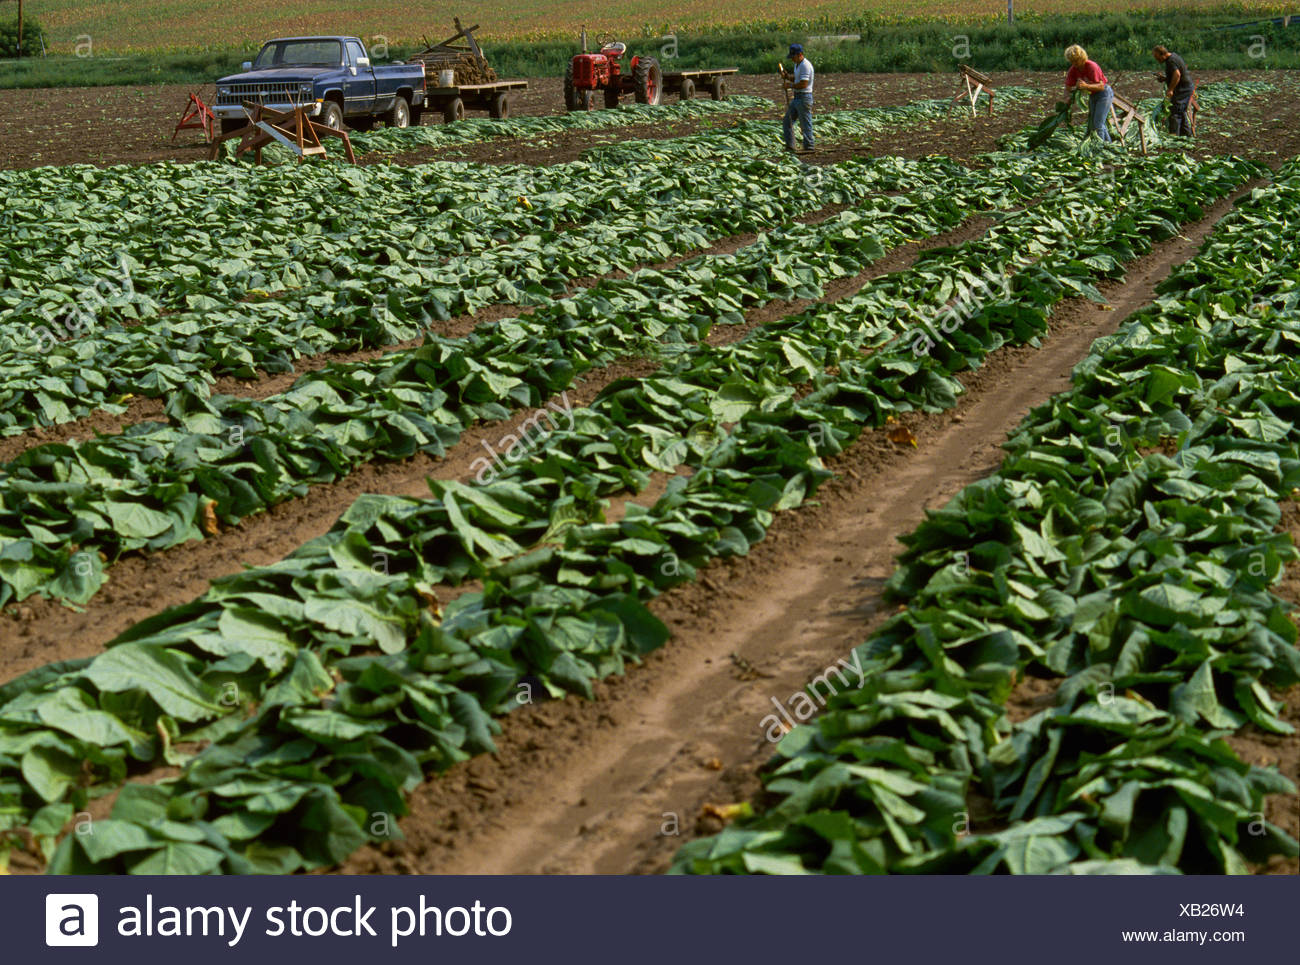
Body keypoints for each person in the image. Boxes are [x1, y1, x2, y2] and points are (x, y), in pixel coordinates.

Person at [1064, 44, 1113, 142]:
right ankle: (1108, 145)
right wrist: (1067, 99)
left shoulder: (1091, 66)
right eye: (1072, 61)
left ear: (1081, 58)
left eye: (1076, 60)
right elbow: (1068, 88)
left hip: (1103, 94)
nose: (1074, 63)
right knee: (1095, 124)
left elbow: (1101, 86)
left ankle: (1099, 147)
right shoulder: (1073, 70)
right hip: (1092, 95)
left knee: (1098, 124)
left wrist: (1086, 86)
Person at [1153, 45, 1194, 136]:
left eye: (1158, 58)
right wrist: (1165, 78)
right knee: (1181, 111)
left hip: (1183, 89)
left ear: (1163, 54)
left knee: (1174, 112)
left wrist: (1170, 89)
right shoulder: (1174, 56)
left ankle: (1174, 136)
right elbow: (1176, 75)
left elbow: (1177, 75)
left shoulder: (1171, 61)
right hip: (1186, 87)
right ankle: (1186, 135)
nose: (1157, 60)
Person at [782, 43, 814, 153]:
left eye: (793, 56)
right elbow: (797, 78)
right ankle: (790, 146)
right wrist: (787, 77)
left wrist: (790, 85)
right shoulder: (798, 65)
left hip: (804, 97)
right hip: (797, 97)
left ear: (800, 54)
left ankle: (809, 146)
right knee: (787, 121)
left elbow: (803, 84)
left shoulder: (805, 65)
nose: (792, 59)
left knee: (805, 123)